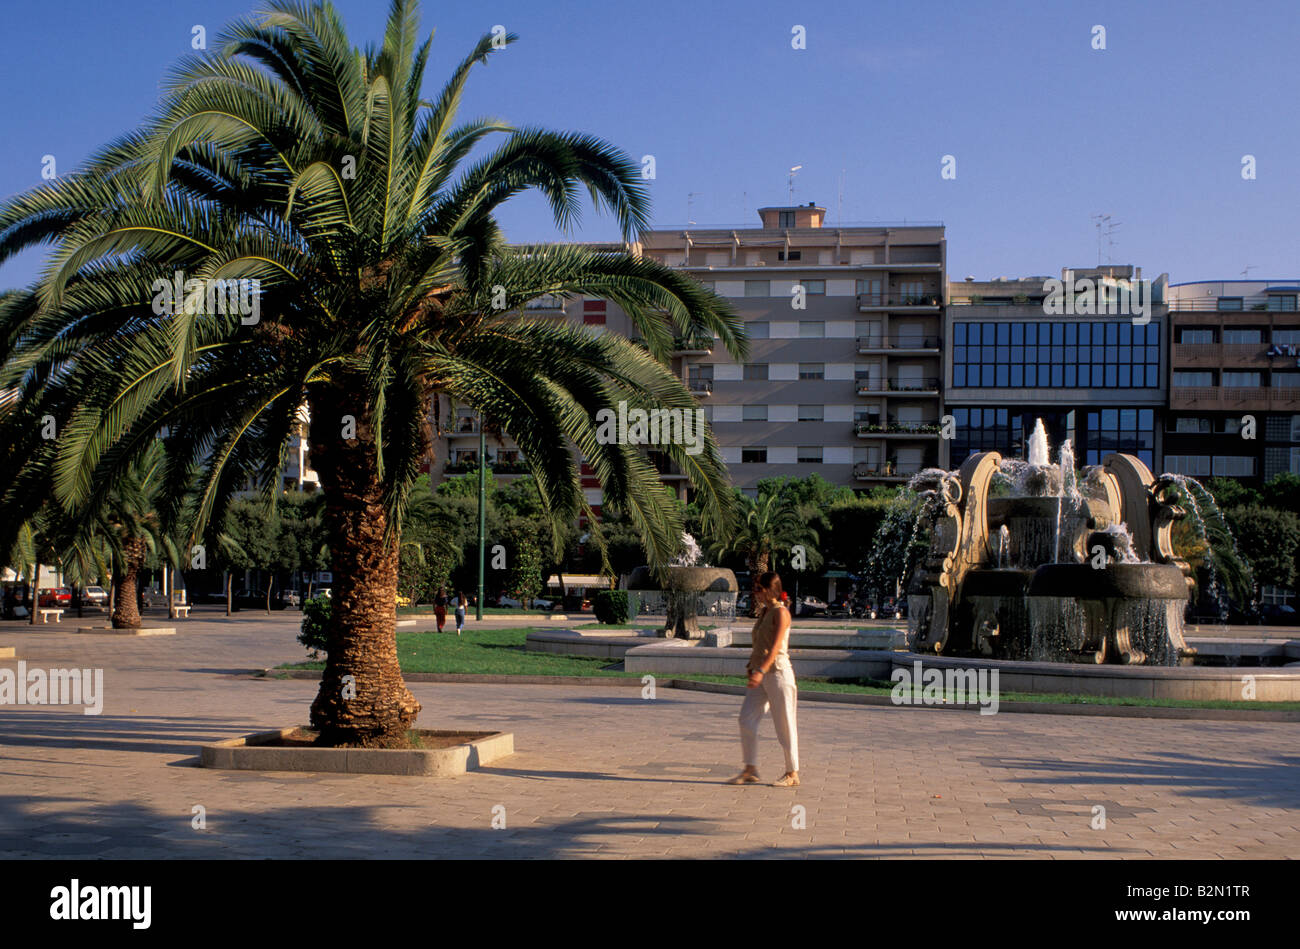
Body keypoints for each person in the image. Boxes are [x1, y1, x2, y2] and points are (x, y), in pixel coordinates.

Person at [727, 571, 799, 788]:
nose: (755, 593)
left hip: (778, 673)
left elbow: (776, 646)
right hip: (761, 673)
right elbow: (760, 644)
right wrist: (752, 667)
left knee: (785, 723)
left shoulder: (781, 613)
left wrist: (761, 670)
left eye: (759, 588)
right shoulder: (765, 612)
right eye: (755, 588)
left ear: (770, 589)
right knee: (746, 719)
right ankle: (751, 769)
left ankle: (792, 772)